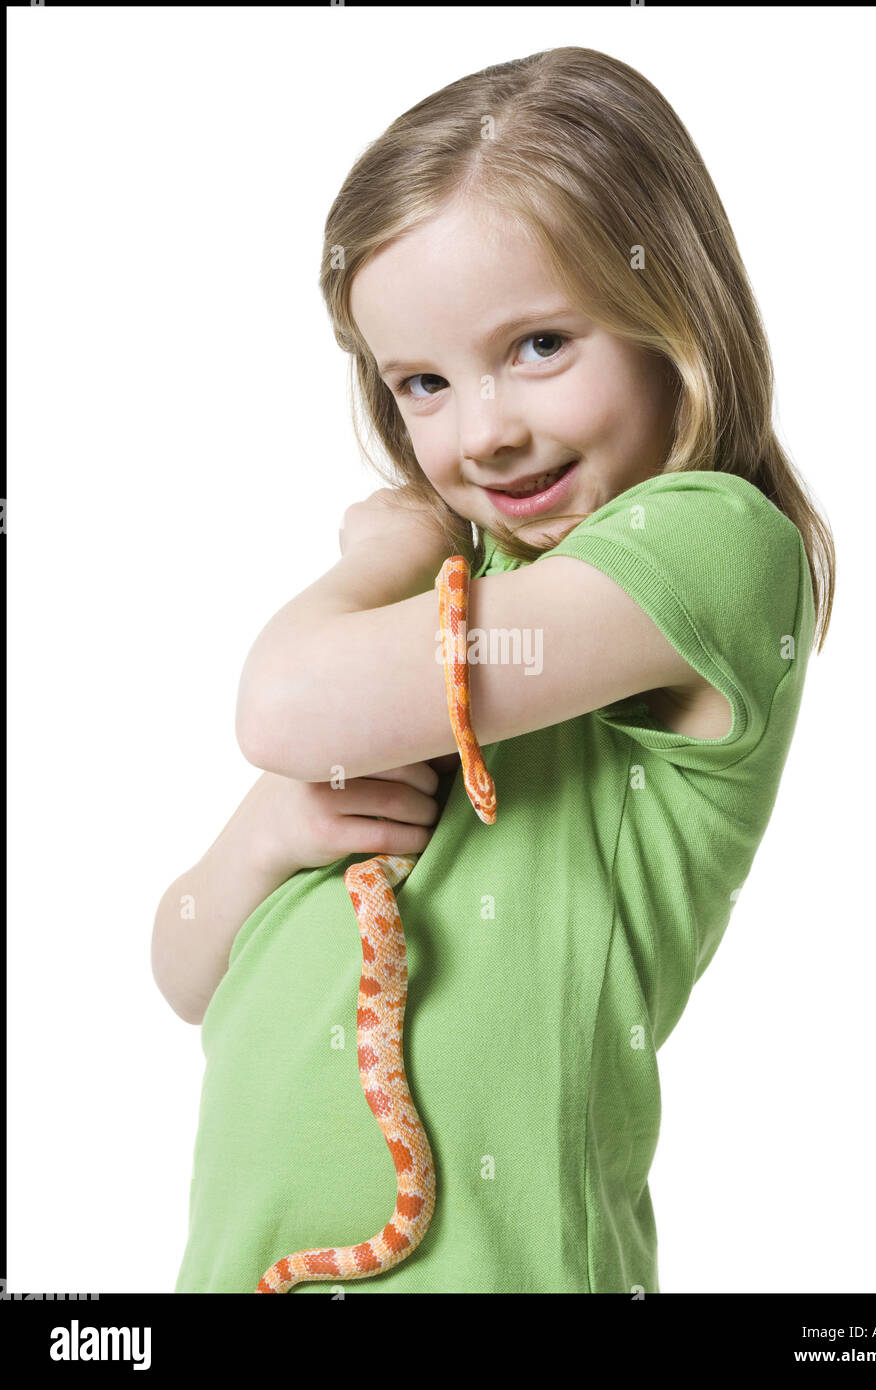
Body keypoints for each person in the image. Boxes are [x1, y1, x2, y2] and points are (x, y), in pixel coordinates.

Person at [153, 45, 835, 1294]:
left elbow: (280, 703)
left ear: (670, 312)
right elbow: (184, 967)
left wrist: (390, 549)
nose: (482, 432)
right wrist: (263, 837)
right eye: (423, 382)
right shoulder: (460, 597)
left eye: (535, 344)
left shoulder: (708, 547)